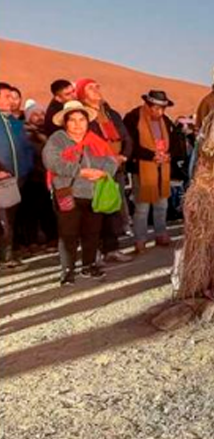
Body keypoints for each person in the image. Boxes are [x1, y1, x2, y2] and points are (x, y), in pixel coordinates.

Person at [43, 101, 120, 284]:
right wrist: (80, 172)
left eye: (81, 120)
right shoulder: (57, 140)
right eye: (73, 120)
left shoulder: (95, 140)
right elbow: (51, 162)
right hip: (67, 192)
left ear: (87, 122)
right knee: (68, 233)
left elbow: (111, 161)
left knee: (92, 232)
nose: (78, 125)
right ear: (65, 122)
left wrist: (103, 172)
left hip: (93, 194)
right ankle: (68, 269)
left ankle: (89, 265)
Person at [76, 78, 134, 263]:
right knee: (94, 211)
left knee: (112, 208)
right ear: (82, 93)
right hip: (95, 170)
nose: (96, 89)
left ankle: (112, 248)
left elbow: (126, 138)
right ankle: (94, 252)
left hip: (116, 169)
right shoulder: (80, 116)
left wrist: (123, 156)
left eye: (97, 86)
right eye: (91, 87)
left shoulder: (111, 114)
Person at [124, 90, 180, 253]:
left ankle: (161, 233)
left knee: (162, 203)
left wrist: (169, 155)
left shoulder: (166, 121)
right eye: (156, 108)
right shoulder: (133, 117)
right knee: (142, 206)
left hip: (163, 167)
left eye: (163, 108)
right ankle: (140, 239)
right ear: (148, 105)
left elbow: (176, 140)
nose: (160, 112)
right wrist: (150, 155)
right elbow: (129, 143)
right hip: (142, 168)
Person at [0, 82, 36, 271]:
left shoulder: (14, 122)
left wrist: (27, 169)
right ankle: (6, 259)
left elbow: (26, 148)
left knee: (10, 220)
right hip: (1, 179)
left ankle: (8, 255)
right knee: (3, 221)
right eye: (6, 96)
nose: (11, 100)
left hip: (17, 180)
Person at [16, 101, 57, 255]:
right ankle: (31, 241)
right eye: (35, 114)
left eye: (41, 114)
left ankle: (52, 238)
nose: (39, 117)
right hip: (29, 177)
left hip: (46, 176)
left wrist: (42, 138)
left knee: (48, 209)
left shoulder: (48, 131)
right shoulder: (23, 132)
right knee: (29, 212)